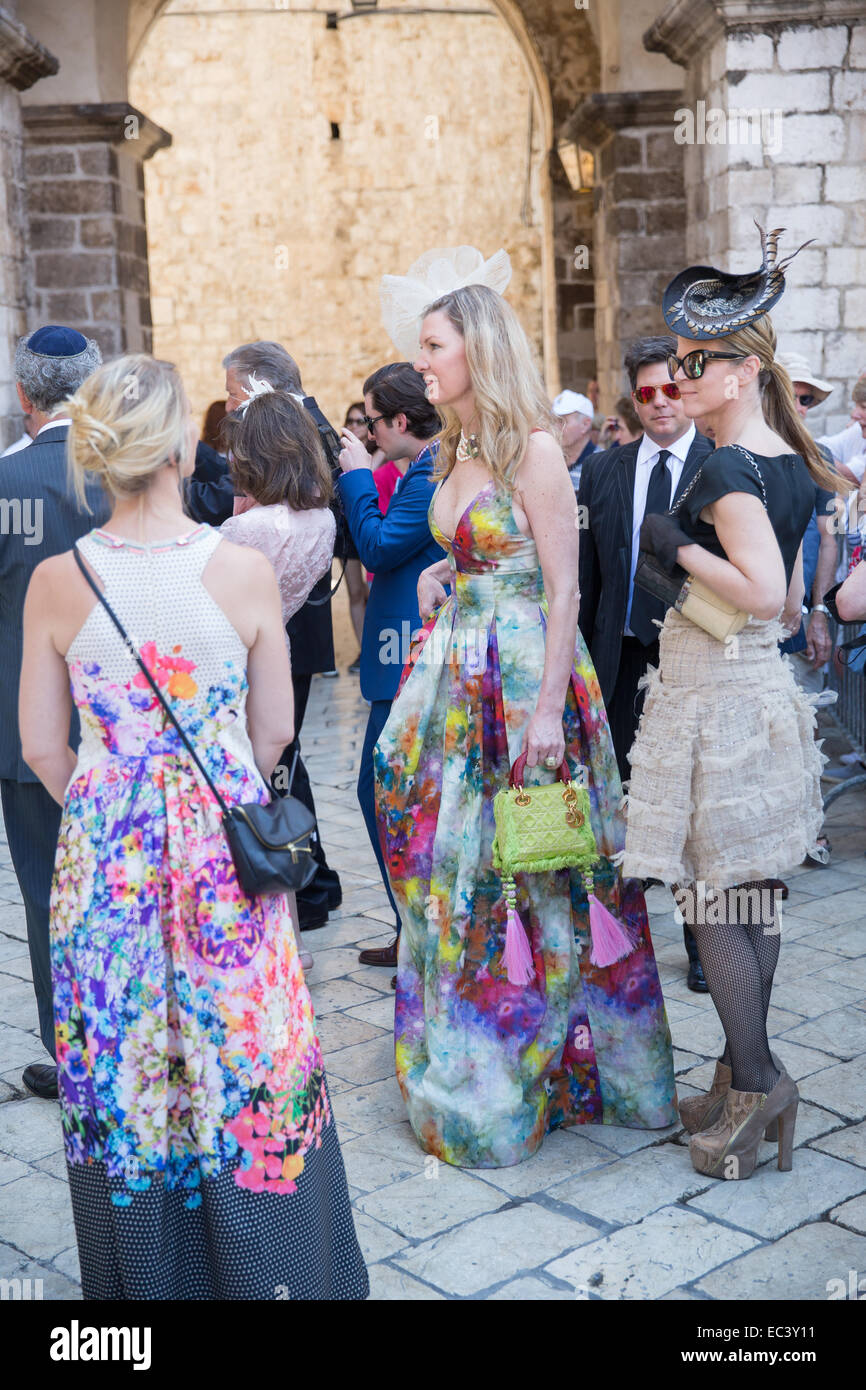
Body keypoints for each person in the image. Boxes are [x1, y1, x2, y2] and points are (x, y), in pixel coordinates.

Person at [19, 353, 367, 1300]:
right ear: (181, 444)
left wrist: (114, 801)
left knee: (127, 1059)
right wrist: (196, 785)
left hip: (102, 858)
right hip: (223, 851)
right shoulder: (243, 570)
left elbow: (43, 746)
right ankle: (275, 1274)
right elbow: (276, 733)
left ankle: (147, 1291)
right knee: (243, 1050)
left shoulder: (56, 581)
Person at [374, 282, 678, 1170]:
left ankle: (550, 1072)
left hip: (520, 689)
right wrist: (443, 573)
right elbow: (478, 547)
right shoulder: (457, 446)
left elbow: (564, 588)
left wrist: (547, 710)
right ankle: (476, 1052)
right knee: (459, 869)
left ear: (477, 351)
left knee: (537, 870)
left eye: (432, 346)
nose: (420, 362)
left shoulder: (534, 449)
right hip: (457, 684)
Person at [622, 226, 841, 1180]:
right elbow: (792, 604)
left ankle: (757, 1084)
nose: (679, 377)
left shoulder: (728, 468)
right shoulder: (785, 463)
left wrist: (673, 546)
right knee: (750, 895)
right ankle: (739, 1070)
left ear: (741, 374)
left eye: (695, 364)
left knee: (715, 898)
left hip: (720, 694)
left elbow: (757, 591)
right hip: (754, 689)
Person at [578, 337, 714, 993]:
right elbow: (589, 576)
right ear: (633, 399)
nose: (660, 404)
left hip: (693, 664)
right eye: (646, 392)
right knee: (619, 802)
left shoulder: (722, 465)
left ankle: (704, 945)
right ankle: (618, 937)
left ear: (688, 390)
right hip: (619, 655)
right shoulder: (606, 469)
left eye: (670, 389)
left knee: (693, 806)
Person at [0, 324, 106, 1101]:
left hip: (26, 722)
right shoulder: (128, 471)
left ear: (23, 395)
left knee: (46, 891)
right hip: (127, 718)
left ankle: (73, 1057)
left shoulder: (4, 481)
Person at [219, 381, 338, 972]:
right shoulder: (321, 521)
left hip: (232, 666)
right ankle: (288, 936)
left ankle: (256, 938)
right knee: (273, 799)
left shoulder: (245, 531)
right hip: (279, 653)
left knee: (238, 805)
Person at [337, 363, 444, 977]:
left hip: (412, 655)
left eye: (373, 421)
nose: (370, 433)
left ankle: (419, 929)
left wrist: (355, 478)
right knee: (387, 794)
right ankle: (412, 927)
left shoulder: (428, 476)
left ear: (401, 421)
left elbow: (376, 547)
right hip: (399, 649)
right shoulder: (419, 469)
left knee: (384, 793)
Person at [341, 404, 371, 673]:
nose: (354, 426)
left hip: (372, 525)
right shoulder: (341, 456)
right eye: (349, 421)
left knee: (371, 590)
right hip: (348, 530)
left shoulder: (380, 453)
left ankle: (373, 647)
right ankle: (364, 650)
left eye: (360, 420)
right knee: (354, 591)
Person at [552, 389, 598, 493]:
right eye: (553, 420)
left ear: (585, 425)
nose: (555, 427)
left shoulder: (602, 465)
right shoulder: (550, 459)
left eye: (562, 421)